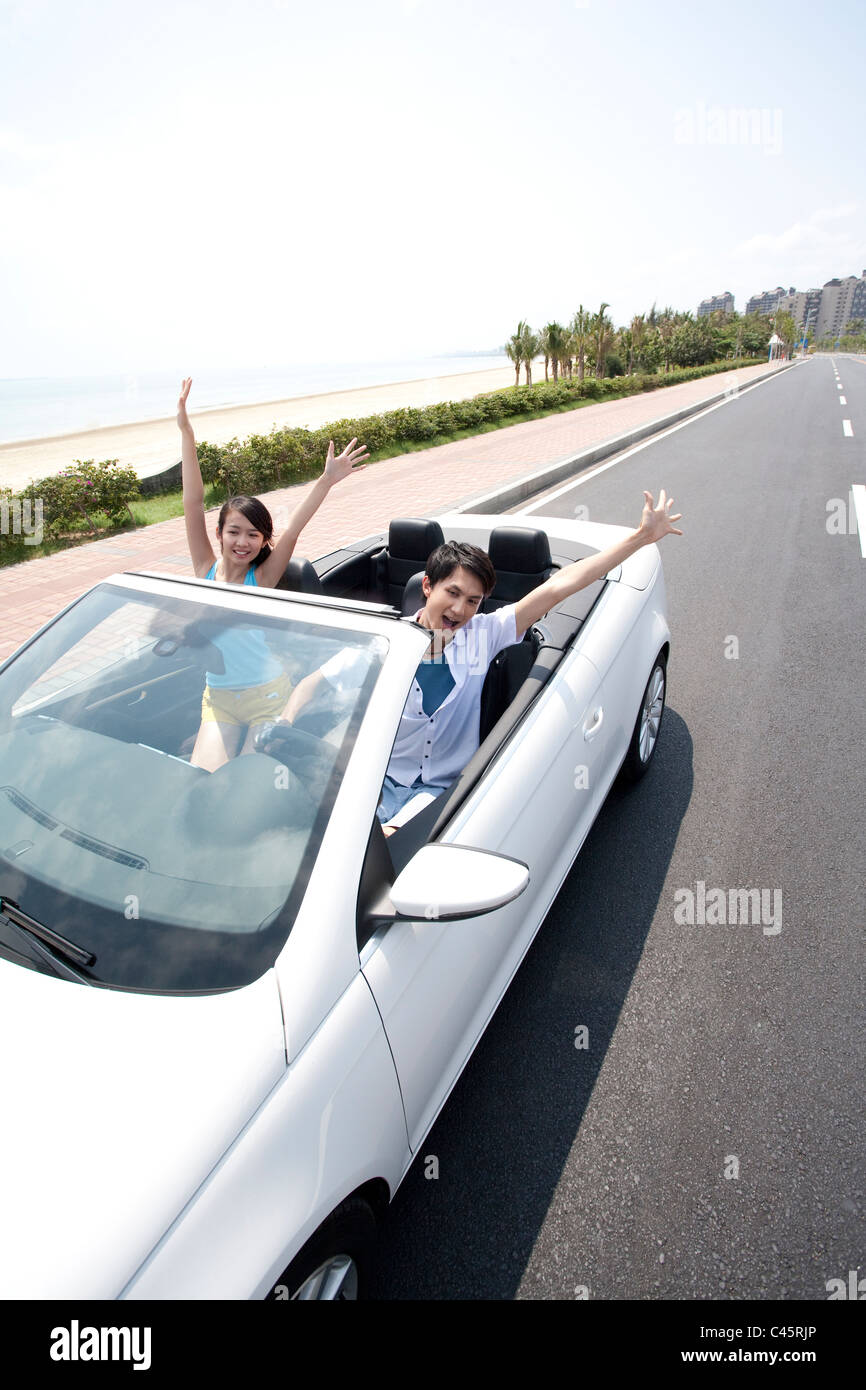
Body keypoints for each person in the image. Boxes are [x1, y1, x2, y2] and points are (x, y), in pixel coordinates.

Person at [264, 490, 683, 830]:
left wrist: (639, 538)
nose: (460, 609)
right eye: (452, 593)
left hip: (444, 793)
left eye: (473, 601)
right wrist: (283, 725)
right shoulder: (386, 643)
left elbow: (561, 587)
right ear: (427, 586)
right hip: (379, 783)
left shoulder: (485, 634)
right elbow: (313, 683)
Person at [176, 377, 368, 770]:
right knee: (202, 776)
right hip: (219, 699)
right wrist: (186, 433)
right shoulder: (204, 569)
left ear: (264, 540)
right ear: (219, 533)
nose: (242, 542)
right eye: (234, 532)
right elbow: (193, 503)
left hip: (267, 697)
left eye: (254, 534)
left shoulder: (261, 578)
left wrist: (326, 480)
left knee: (248, 780)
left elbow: (293, 528)